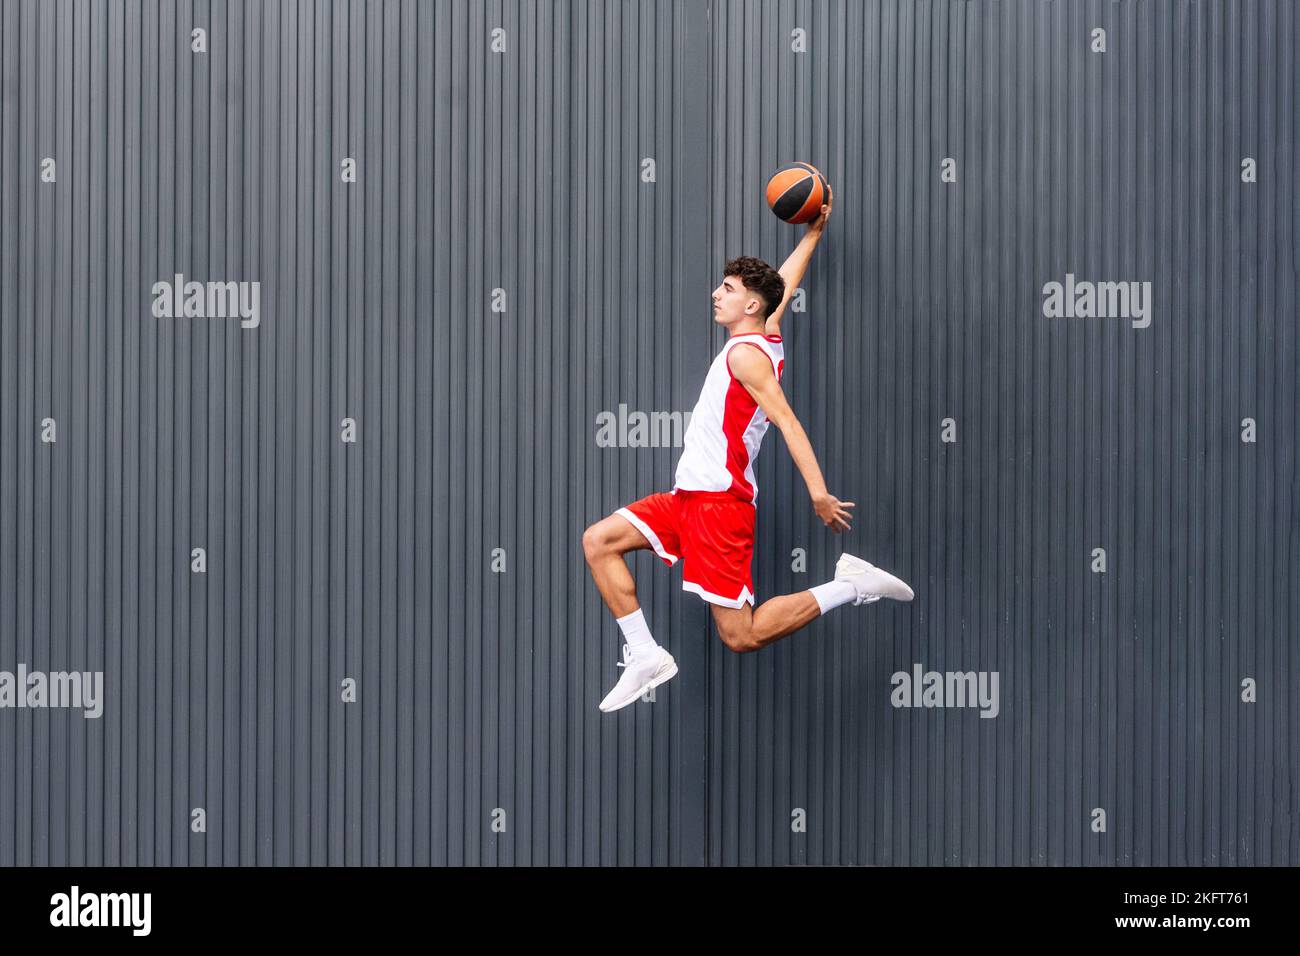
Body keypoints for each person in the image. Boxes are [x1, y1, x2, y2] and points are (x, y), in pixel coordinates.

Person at [582, 191, 913, 713]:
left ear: (749, 305)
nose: (717, 294)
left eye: (728, 289)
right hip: (688, 498)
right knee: (599, 541)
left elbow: (786, 421)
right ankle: (645, 653)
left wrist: (820, 495)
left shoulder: (746, 358)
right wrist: (812, 236)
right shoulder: (766, 338)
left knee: (743, 635)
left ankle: (850, 586)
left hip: (719, 507)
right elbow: (781, 290)